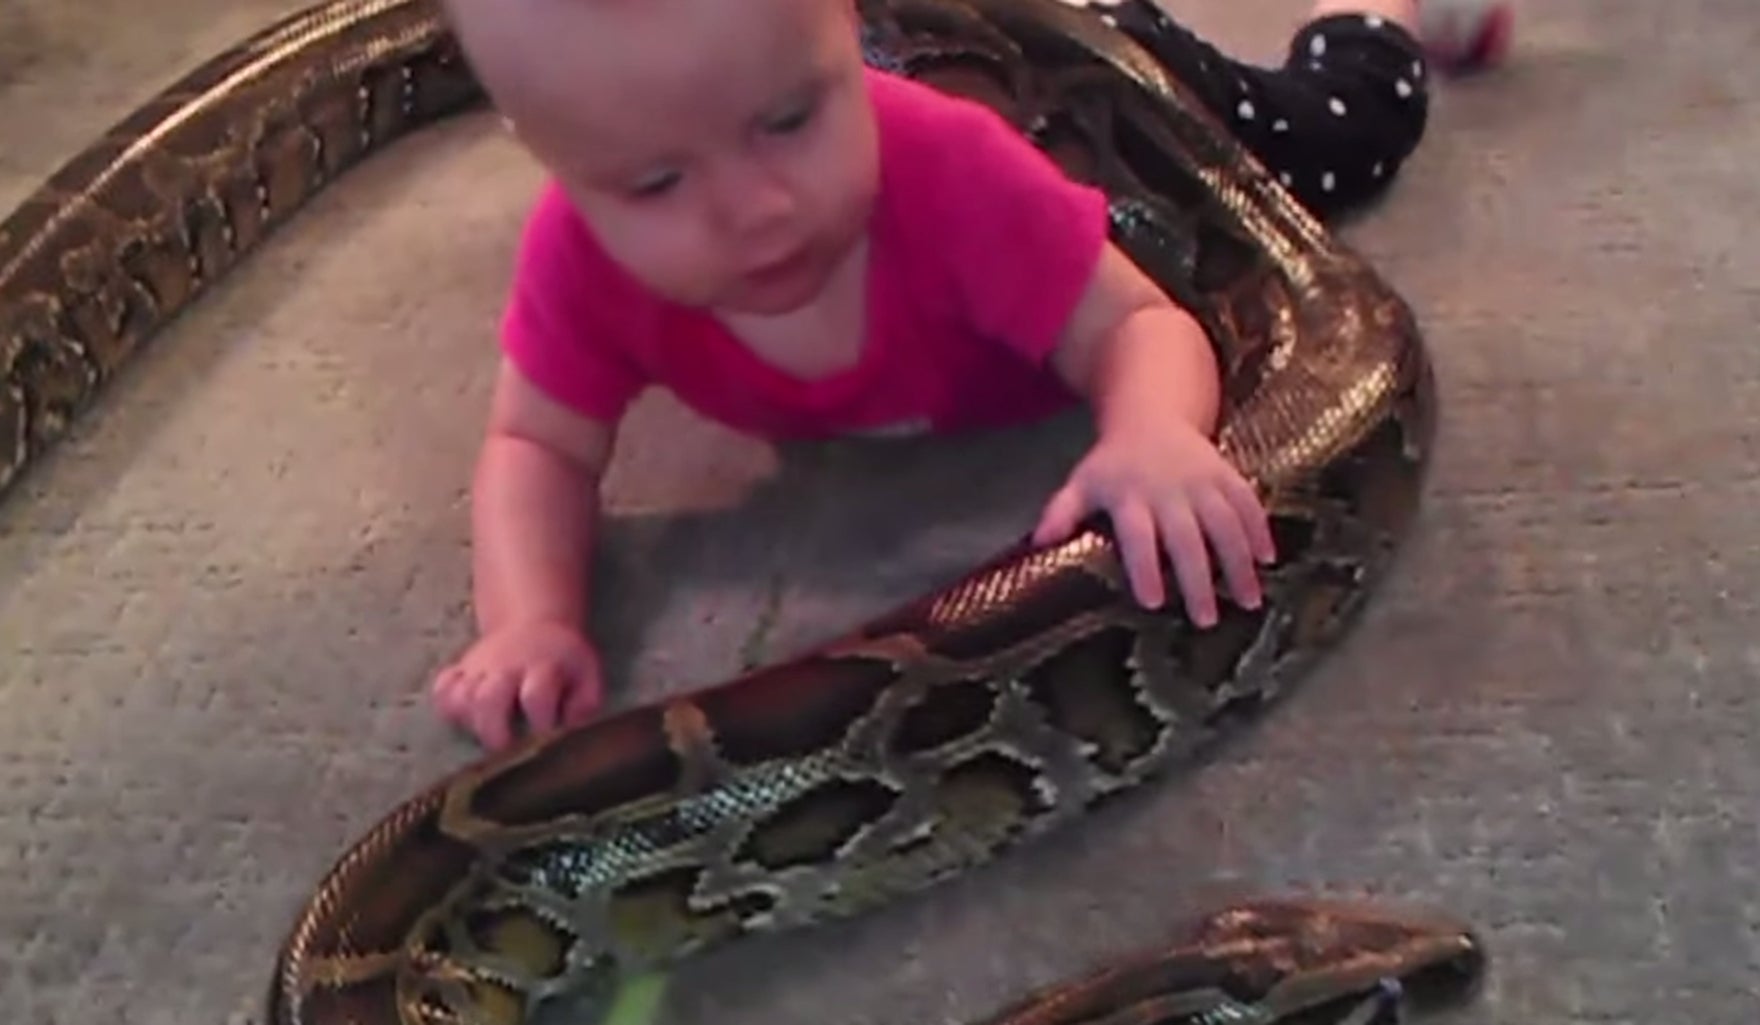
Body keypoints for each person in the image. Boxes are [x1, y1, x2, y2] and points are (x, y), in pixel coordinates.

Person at [429, 0, 1512, 751]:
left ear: (850, 30)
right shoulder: (576, 256)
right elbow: (535, 445)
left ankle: (1387, 18)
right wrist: (528, 617)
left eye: (790, 119)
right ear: (553, 161)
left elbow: (1137, 319)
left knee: (1332, 138)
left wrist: (1150, 430)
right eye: (658, 179)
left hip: (1089, 69)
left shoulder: (951, 170)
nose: (756, 207)